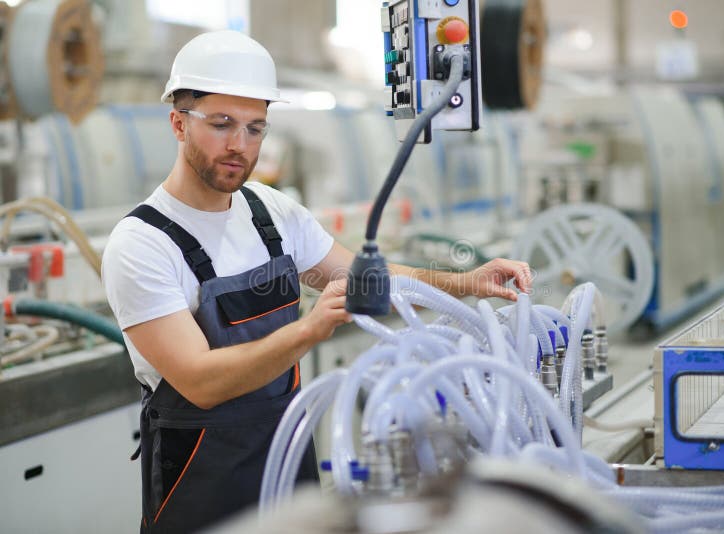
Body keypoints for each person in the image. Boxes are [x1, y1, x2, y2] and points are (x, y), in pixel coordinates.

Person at [102, 30, 532, 533]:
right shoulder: (142, 243)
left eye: (255, 128)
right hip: (201, 486)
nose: (239, 145)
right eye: (221, 125)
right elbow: (201, 381)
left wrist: (465, 283)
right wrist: (309, 329)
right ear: (178, 123)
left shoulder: (271, 211)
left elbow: (366, 280)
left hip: (288, 460)